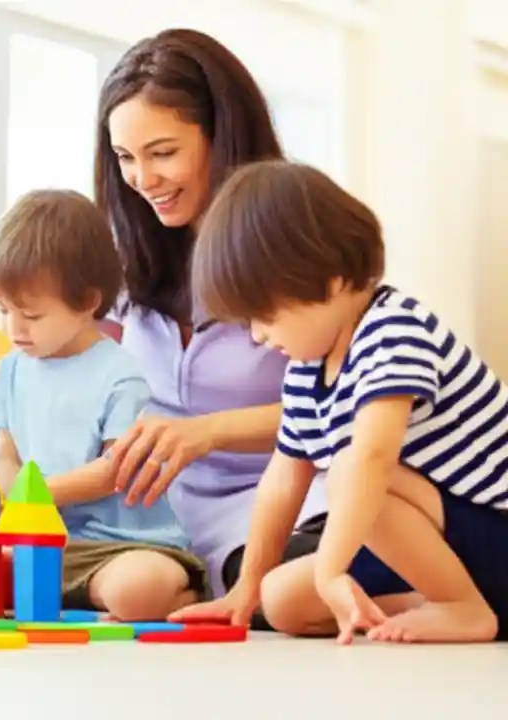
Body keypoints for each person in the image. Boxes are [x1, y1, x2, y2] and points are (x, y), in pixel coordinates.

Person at [93, 29, 409, 614]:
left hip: (292, 504)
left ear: (222, 135)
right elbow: (85, 384)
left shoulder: (290, 238)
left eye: (163, 153)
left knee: (284, 592)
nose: (142, 178)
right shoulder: (123, 259)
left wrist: (210, 430)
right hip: (162, 526)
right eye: (125, 157)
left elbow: (360, 402)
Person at [188, 159, 508, 643]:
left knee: (350, 474)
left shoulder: (394, 329)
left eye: (266, 315)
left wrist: (332, 568)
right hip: (445, 546)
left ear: (331, 279)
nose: (258, 336)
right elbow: (283, 476)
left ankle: (461, 607)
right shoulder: (307, 367)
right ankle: (444, 603)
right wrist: (247, 588)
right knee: (283, 601)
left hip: (493, 530)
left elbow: (373, 458)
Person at [0, 189, 205, 620]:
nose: (13, 328)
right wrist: (14, 504)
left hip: (117, 546)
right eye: (3, 310)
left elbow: (114, 471)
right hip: (42, 543)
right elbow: (4, 452)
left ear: (87, 302)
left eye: (31, 315)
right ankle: (72, 596)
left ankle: (185, 594)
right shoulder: (11, 369)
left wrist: (33, 497)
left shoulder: (120, 373)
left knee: (134, 591)